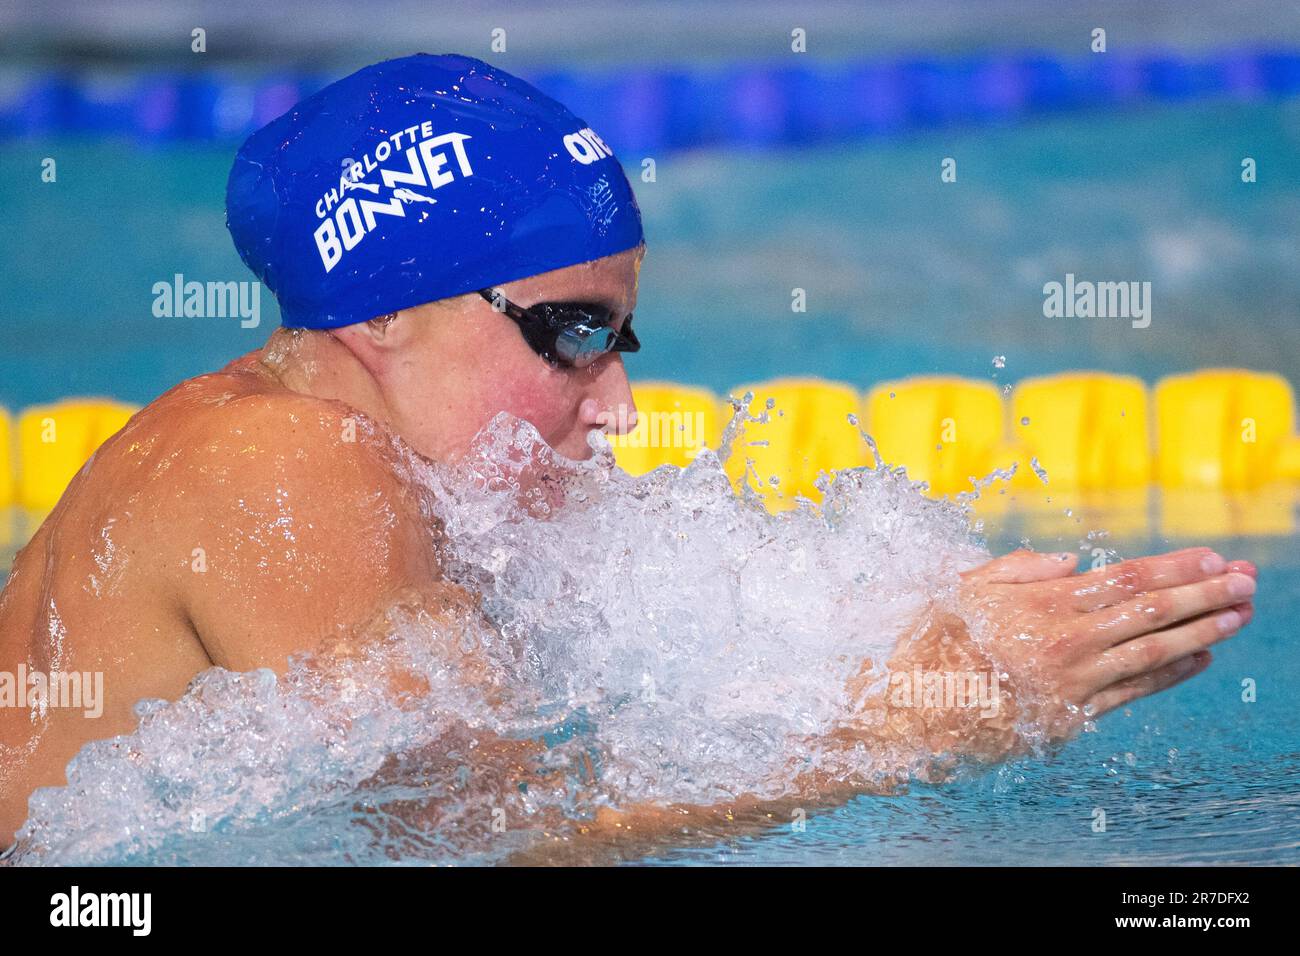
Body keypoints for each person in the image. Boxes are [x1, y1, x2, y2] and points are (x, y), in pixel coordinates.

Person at [0, 54, 1257, 856]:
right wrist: (901, 729)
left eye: (622, 332)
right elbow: (467, 846)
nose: (621, 407)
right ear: (382, 313)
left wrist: (887, 645)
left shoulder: (382, 463)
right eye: (572, 334)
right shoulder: (280, 466)